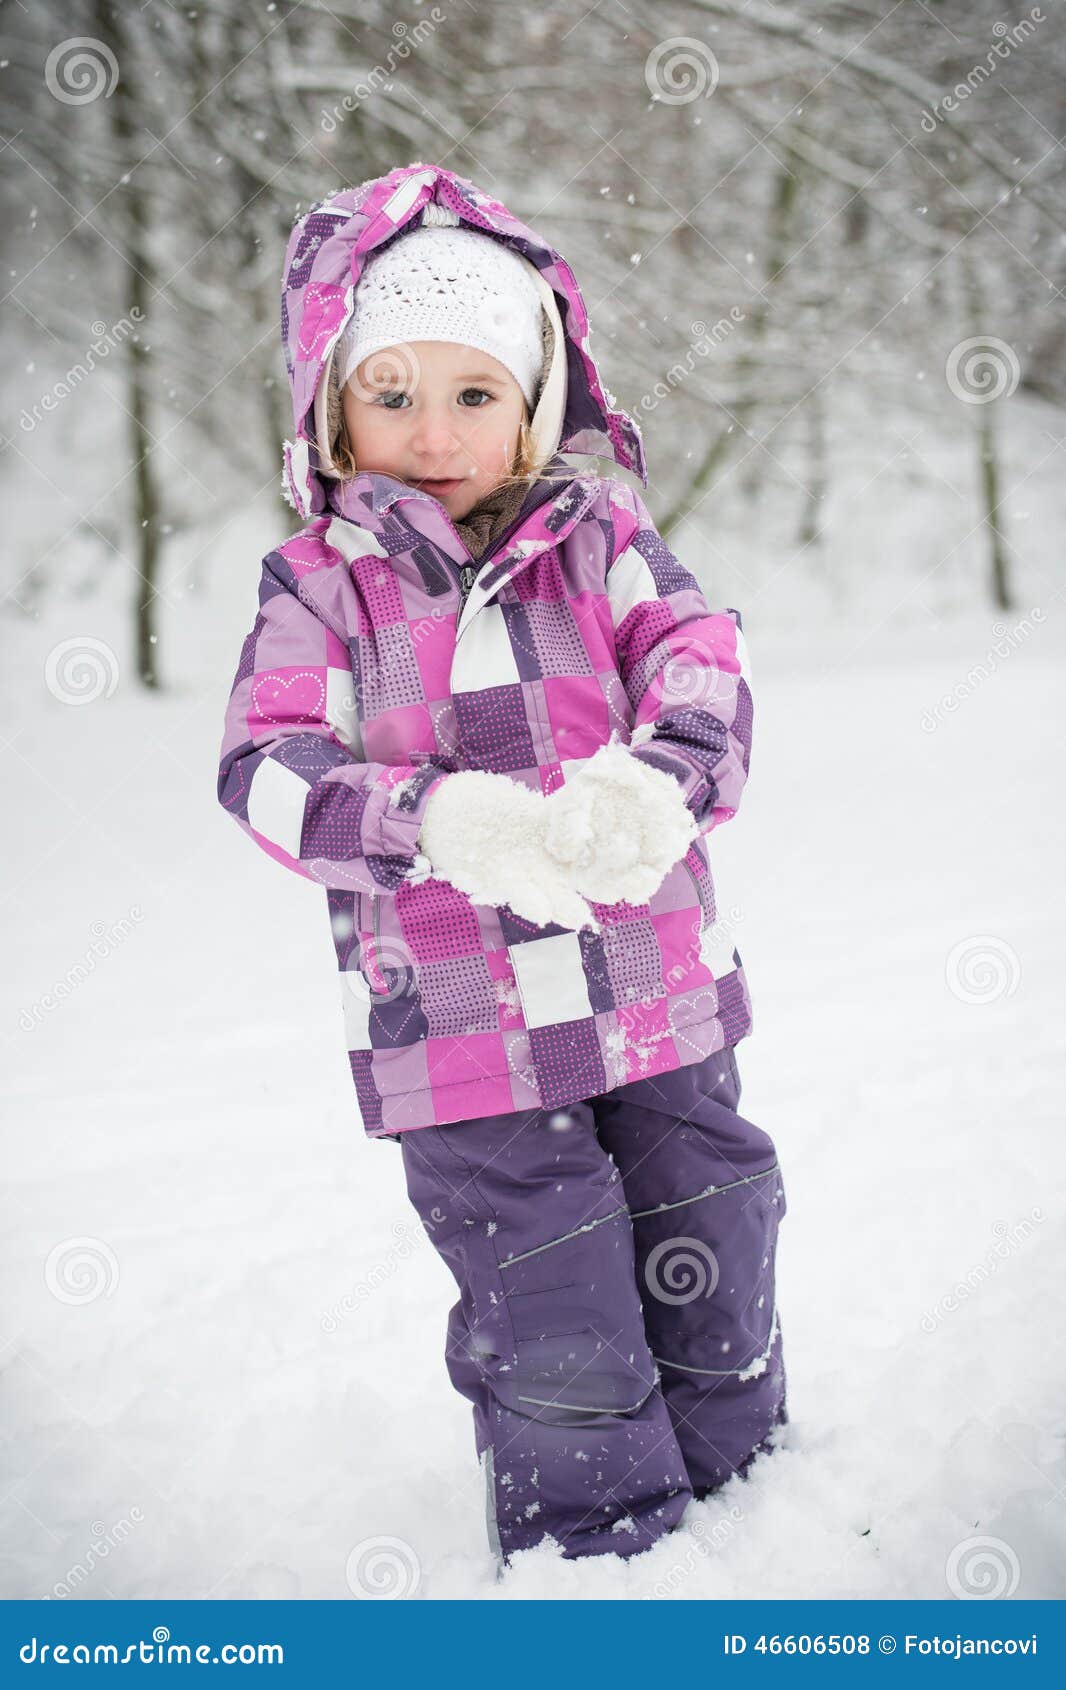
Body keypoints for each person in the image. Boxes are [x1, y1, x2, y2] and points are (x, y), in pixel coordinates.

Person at [217, 162, 787, 1571]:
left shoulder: (600, 543)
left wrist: (657, 788)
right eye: (389, 392)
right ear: (333, 407)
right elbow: (264, 769)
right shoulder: (318, 584)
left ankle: (758, 1519)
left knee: (710, 1233)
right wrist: (431, 822)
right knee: (559, 1305)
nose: (431, 432)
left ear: (533, 402)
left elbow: (704, 669)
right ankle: (604, 1565)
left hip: (652, 988)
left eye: (474, 393)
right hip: (461, 1030)